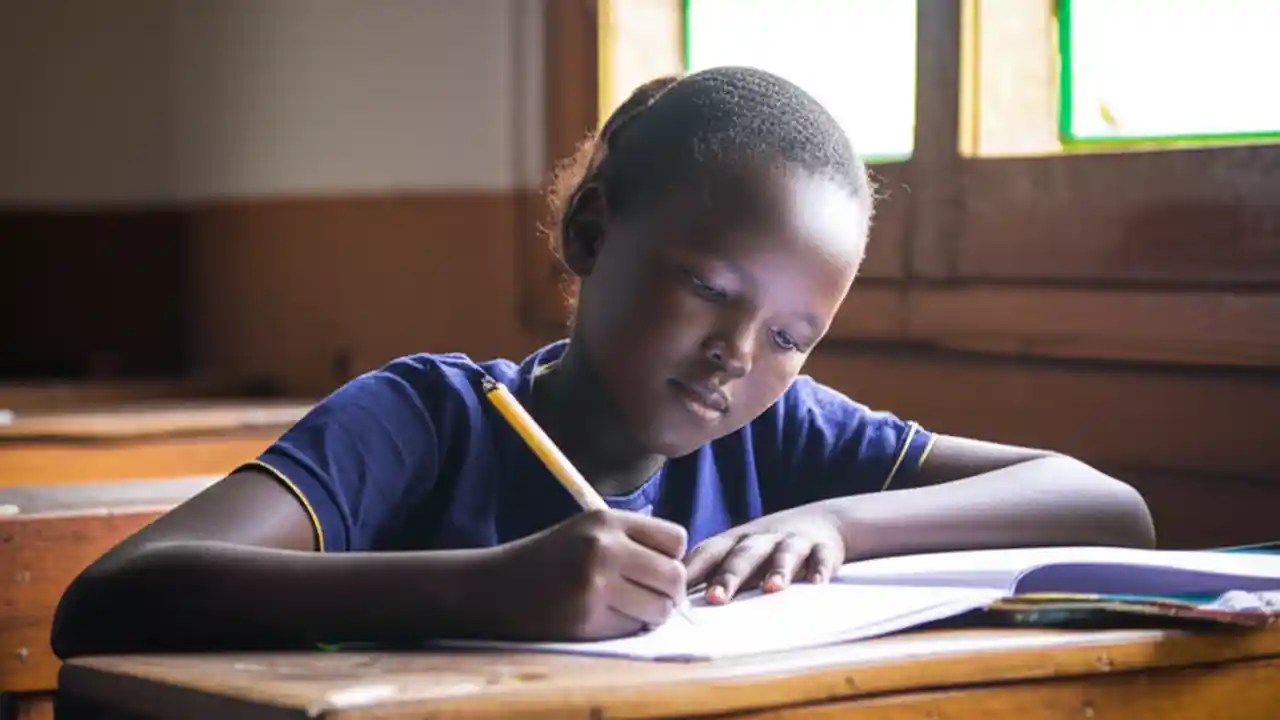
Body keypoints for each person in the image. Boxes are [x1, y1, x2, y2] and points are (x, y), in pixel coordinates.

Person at [52, 67, 1154, 656]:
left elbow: (1104, 507)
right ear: (589, 236)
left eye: (788, 336)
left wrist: (837, 521)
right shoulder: (429, 418)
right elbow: (110, 602)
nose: (736, 355)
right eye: (709, 292)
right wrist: (490, 589)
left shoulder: (785, 433)